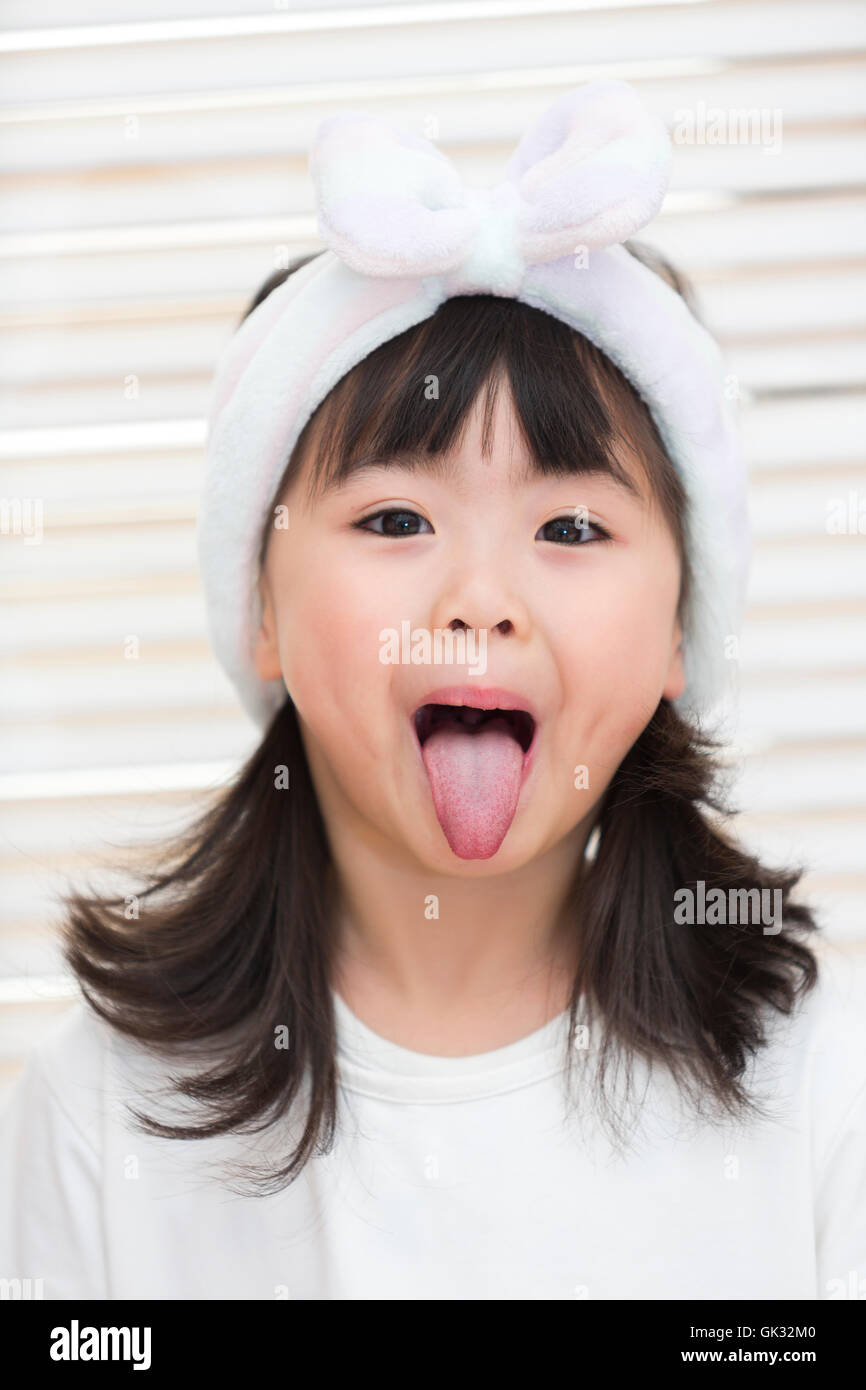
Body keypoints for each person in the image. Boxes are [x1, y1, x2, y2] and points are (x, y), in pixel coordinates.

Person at [1, 80, 864, 1302]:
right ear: (260, 610)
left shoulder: (823, 1096)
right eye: (395, 517)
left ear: (679, 625)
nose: (479, 597)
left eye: (569, 525)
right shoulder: (101, 1116)